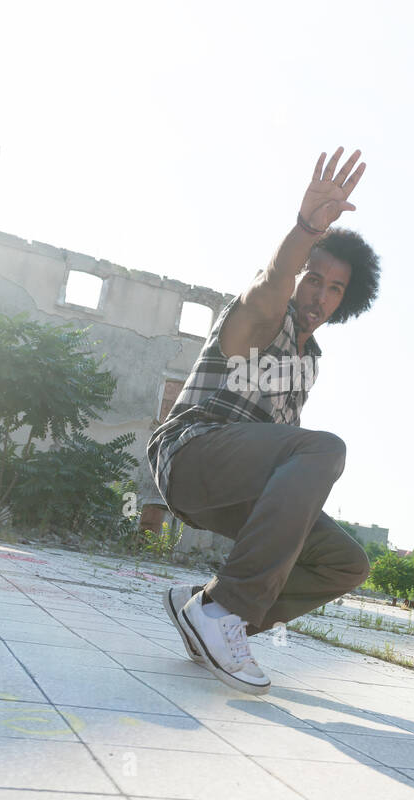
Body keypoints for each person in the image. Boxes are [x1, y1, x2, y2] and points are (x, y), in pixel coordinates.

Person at [148, 147, 380, 694]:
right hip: (191, 454)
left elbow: (284, 459)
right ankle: (225, 610)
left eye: (333, 289)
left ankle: (208, 608)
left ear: (345, 301)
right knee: (323, 448)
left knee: (344, 562)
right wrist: (304, 230)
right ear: (299, 276)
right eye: (312, 279)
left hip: (236, 489)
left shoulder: (311, 361)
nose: (317, 295)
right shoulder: (264, 312)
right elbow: (273, 279)